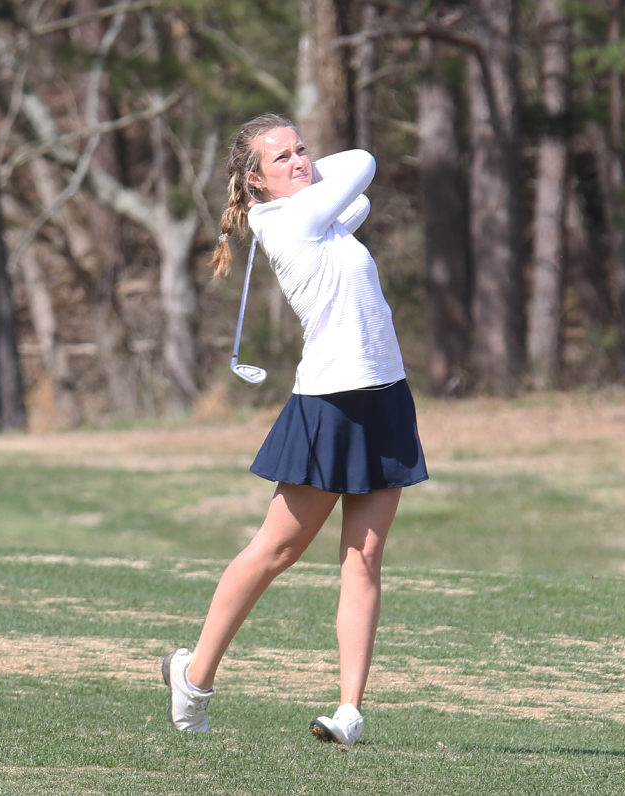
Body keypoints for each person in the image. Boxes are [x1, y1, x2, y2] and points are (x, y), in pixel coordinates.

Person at [162, 113, 428, 746]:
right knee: (275, 551)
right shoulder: (289, 219)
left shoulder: (317, 214)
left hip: (386, 395)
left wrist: (299, 177)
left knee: (363, 559)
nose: (301, 162)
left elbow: (355, 197)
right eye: (280, 159)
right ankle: (194, 679)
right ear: (253, 181)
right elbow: (361, 162)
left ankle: (350, 712)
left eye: (303, 150)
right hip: (330, 405)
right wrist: (298, 186)